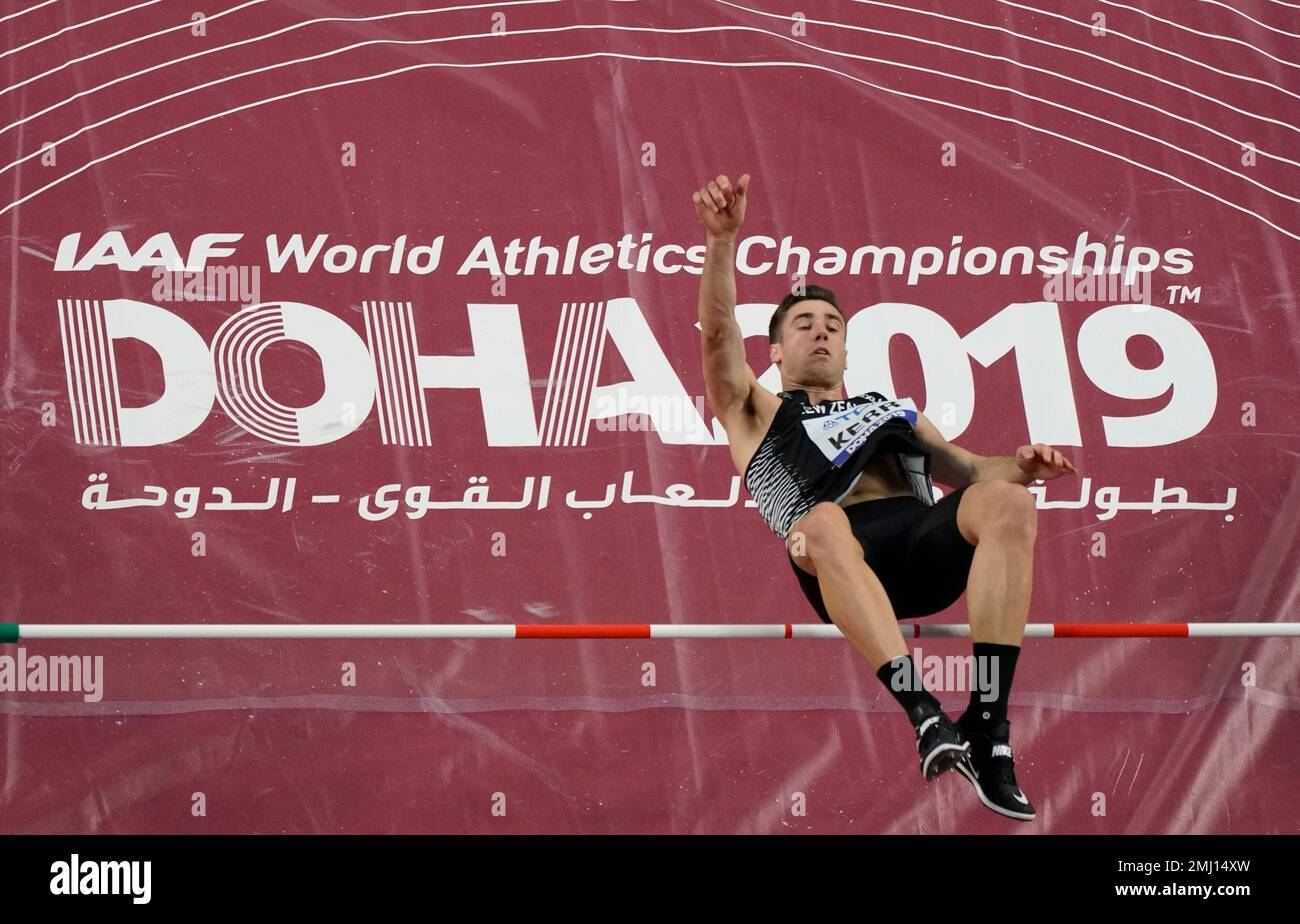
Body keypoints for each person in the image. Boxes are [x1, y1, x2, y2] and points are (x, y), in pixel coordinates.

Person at [692, 172, 1078, 821]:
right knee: (817, 522)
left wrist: (1019, 468)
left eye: (832, 326)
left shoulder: (891, 409)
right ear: (777, 350)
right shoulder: (753, 408)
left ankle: (987, 723)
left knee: (1010, 505)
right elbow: (716, 331)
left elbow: (970, 472)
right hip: (835, 557)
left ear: (845, 347)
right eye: (805, 324)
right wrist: (722, 240)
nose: (820, 333)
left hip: (919, 552)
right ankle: (923, 712)